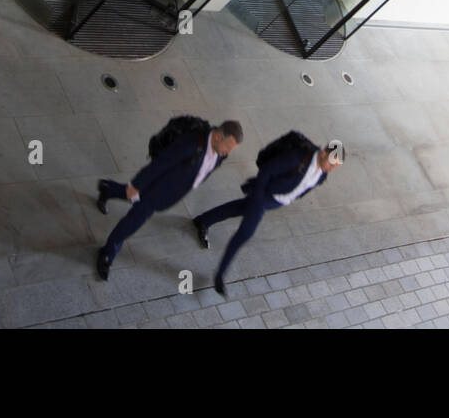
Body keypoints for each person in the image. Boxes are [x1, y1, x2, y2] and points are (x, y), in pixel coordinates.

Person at [193, 134, 342, 296]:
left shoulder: (323, 173)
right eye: (332, 163)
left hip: (276, 201)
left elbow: (305, 186)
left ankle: (203, 220)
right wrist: (258, 198)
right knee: (245, 233)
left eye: (335, 167)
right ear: (323, 154)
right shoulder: (297, 158)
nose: (331, 169)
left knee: (240, 208)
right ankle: (220, 274)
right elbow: (267, 170)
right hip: (264, 196)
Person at [94, 119, 243, 280]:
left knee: (131, 195)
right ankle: (107, 253)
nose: (228, 153)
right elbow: (161, 164)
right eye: (228, 147)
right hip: (156, 188)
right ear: (218, 137)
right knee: (132, 222)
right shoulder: (191, 144)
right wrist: (137, 185)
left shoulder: (219, 154)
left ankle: (107, 188)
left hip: (170, 192)